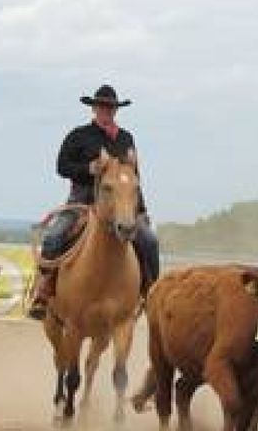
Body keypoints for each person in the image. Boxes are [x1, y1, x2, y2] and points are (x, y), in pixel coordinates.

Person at [26, 85, 160, 321]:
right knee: (54, 236)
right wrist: (88, 168)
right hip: (82, 201)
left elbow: (134, 179)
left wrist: (141, 210)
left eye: (110, 107)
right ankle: (44, 290)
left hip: (121, 207)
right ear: (94, 108)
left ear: (115, 110)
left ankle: (151, 292)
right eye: (102, 107)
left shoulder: (126, 138)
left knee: (149, 240)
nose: (106, 111)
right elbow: (62, 167)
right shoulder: (78, 136)